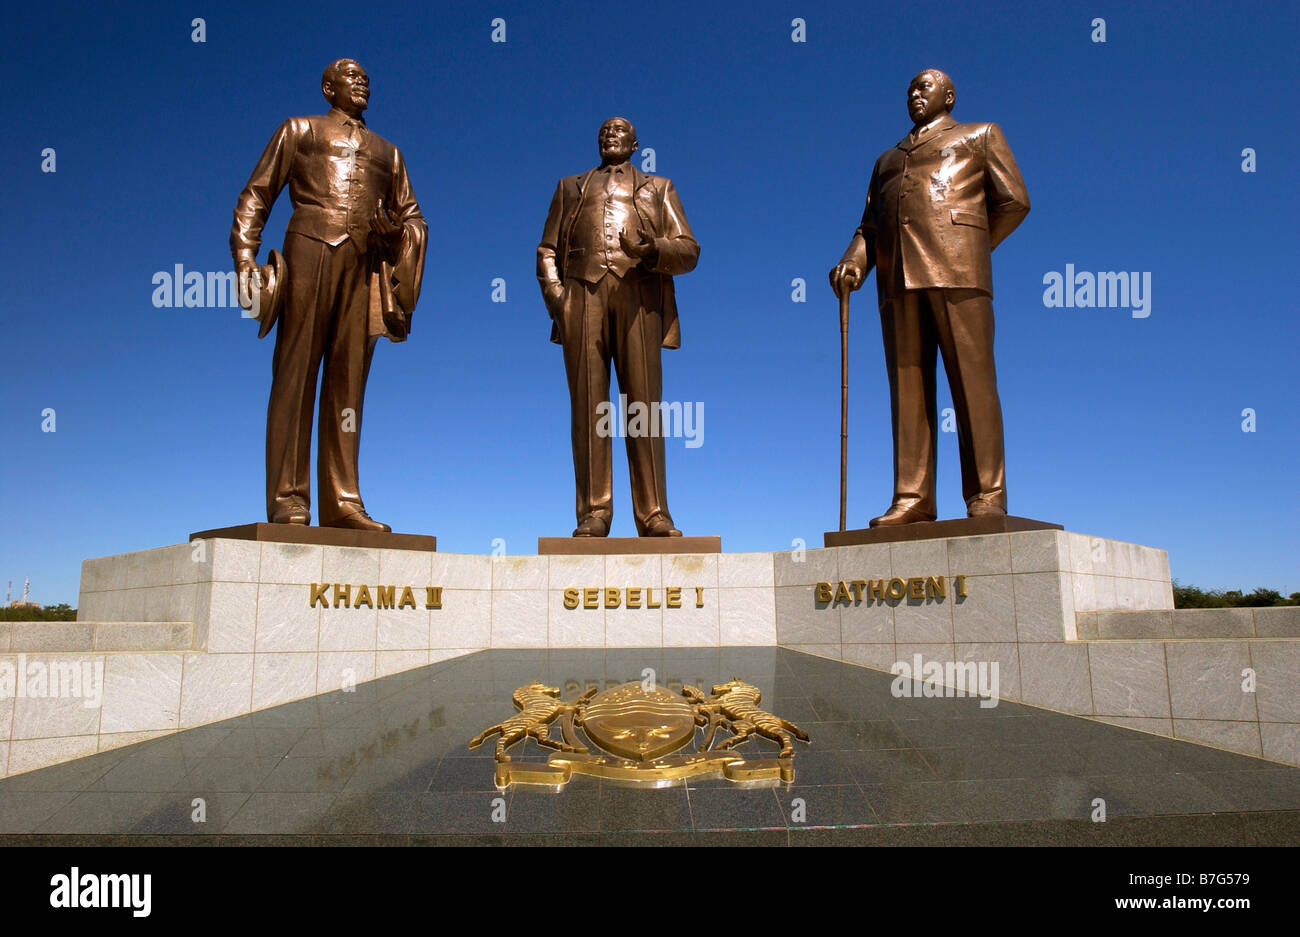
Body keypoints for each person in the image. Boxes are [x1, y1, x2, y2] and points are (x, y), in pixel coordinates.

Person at [231, 59, 426, 531]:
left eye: (366, 78)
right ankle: (288, 498)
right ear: (327, 87)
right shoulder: (299, 130)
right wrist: (244, 259)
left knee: (348, 387)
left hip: (363, 268)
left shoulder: (389, 152)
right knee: (296, 375)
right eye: (350, 76)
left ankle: (343, 500)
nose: (361, 82)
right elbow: (256, 196)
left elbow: (414, 216)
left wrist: (399, 232)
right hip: (308, 253)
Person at [829, 69, 1029, 526]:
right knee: (908, 390)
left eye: (925, 87)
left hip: (959, 273)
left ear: (950, 96)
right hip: (897, 280)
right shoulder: (886, 160)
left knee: (972, 384)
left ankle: (987, 493)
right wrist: (855, 262)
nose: (915, 94)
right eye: (910, 90)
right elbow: (870, 225)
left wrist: (971, 246)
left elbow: (1014, 201)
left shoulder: (979, 136)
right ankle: (913, 496)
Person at [537, 117, 700, 537]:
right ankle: (594, 511)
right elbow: (546, 250)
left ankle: (653, 513)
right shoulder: (569, 186)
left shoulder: (658, 187)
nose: (610, 134)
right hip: (581, 297)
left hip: (640, 298)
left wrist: (653, 250)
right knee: (589, 407)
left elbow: (688, 250)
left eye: (620, 130)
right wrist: (559, 299)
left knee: (641, 407)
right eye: (604, 130)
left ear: (635, 143)